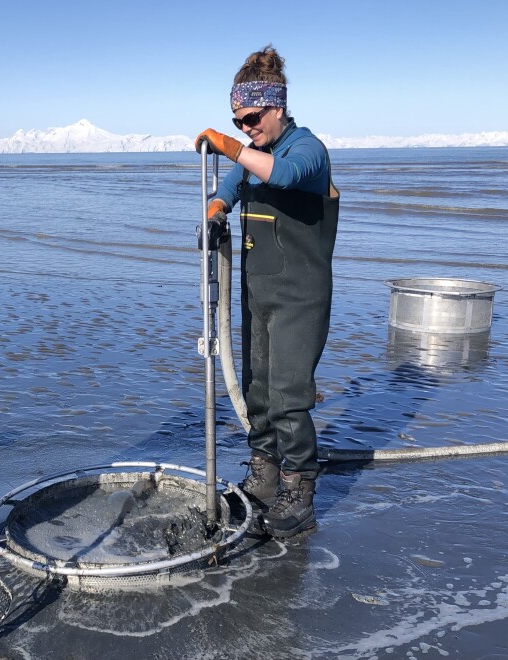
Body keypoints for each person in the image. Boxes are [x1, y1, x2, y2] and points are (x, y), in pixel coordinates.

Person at [195, 45, 339, 539]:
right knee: (258, 390)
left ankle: (299, 494)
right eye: (237, 122)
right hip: (259, 293)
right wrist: (215, 210)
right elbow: (234, 184)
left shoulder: (307, 150)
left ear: (276, 107)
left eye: (252, 118)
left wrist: (229, 146)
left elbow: (285, 175)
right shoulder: (256, 152)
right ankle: (265, 475)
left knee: (289, 396)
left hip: (301, 296)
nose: (245, 129)